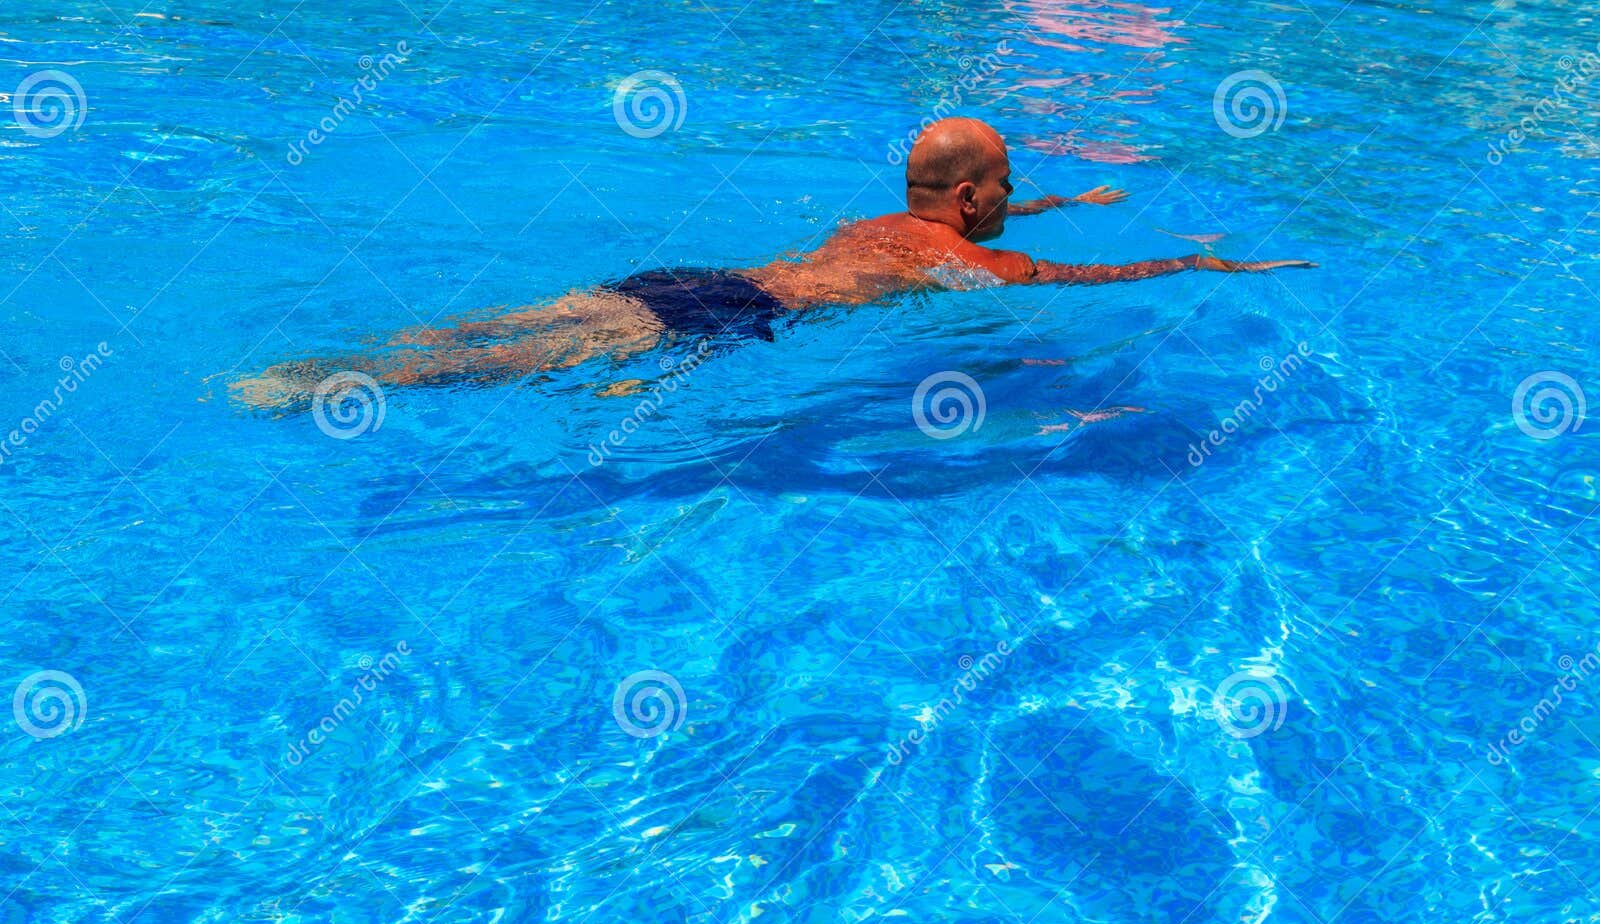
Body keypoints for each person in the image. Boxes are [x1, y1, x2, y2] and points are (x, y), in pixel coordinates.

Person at [232, 117, 1311, 408]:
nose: (1014, 196)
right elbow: (1083, 282)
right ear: (972, 200)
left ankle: (373, 354)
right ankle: (330, 385)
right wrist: (1202, 266)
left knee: (513, 322)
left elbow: (980, 217)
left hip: (693, 275)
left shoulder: (880, 225)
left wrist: (1069, 200)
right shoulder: (972, 259)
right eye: (1009, 184)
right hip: (720, 315)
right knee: (524, 362)